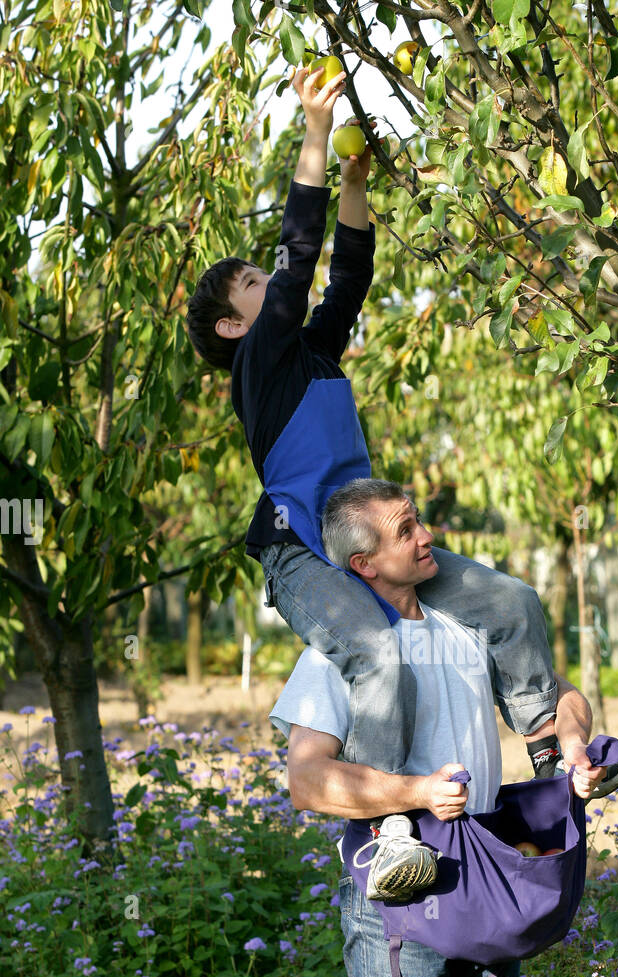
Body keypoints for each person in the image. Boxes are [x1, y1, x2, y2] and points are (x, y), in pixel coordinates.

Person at [185, 62, 570, 903]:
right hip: (303, 551)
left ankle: (547, 745)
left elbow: (346, 279)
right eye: (254, 286)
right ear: (233, 326)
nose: (273, 287)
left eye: (263, 279)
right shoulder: (258, 365)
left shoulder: (309, 354)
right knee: (378, 652)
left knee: (509, 603)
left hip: (368, 537)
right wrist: (317, 133)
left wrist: (356, 183)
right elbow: (300, 260)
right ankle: (391, 825)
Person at [270, 478, 610, 977]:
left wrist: (572, 743)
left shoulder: (467, 627)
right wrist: (411, 793)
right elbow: (307, 780)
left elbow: (557, 699)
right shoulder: (337, 652)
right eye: (405, 530)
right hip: (400, 878)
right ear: (363, 563)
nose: (427, 538)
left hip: (484, 863)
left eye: (419, 521)